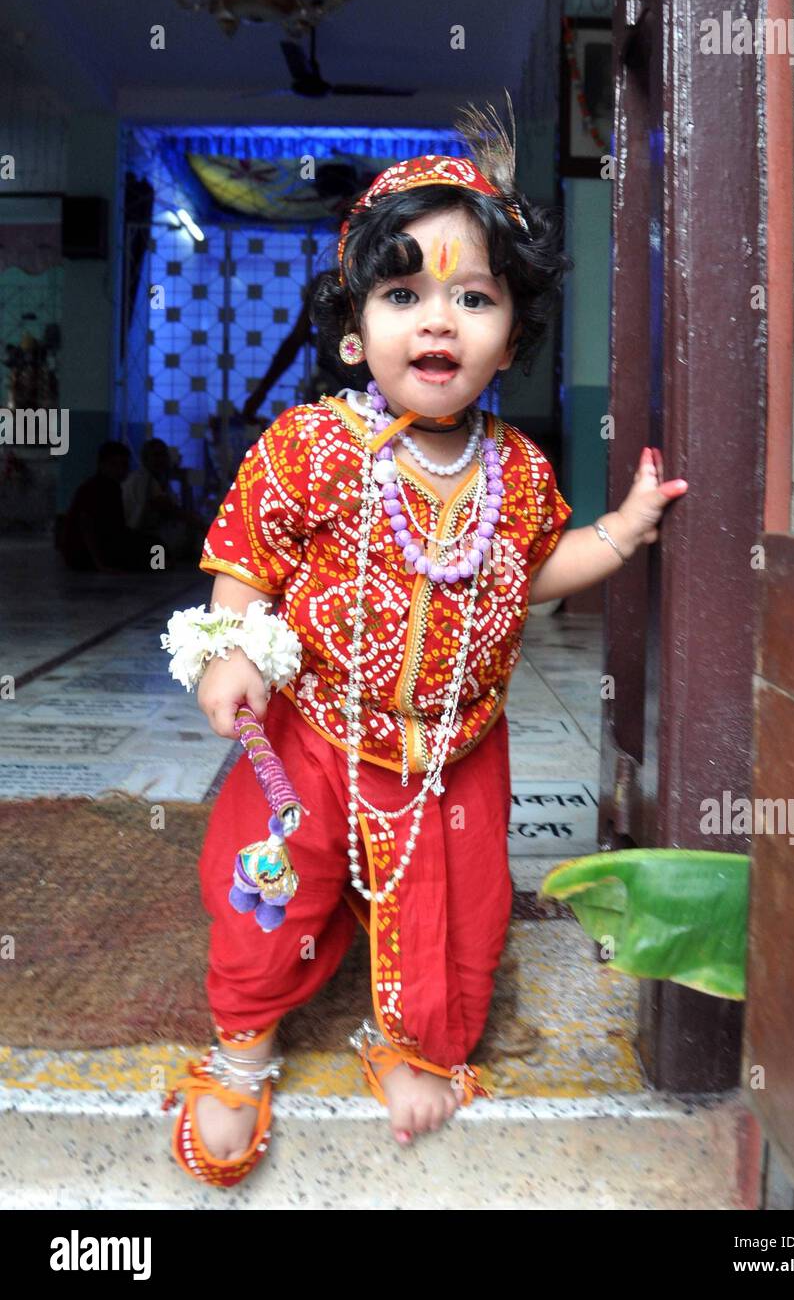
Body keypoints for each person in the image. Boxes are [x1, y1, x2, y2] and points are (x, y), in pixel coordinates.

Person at [160, 99, 689, 1189]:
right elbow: (244, 562)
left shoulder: (521, 473)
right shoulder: (313, 447)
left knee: (459, 915)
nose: (436, 320)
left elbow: (535, 571)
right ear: (356, 333)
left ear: (510, 335)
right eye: (404, 294)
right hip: (314, 738)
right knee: (271, 890)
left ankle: (417, 1044)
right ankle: (244, 1047)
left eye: (473, 297)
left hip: (454, 750)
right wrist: (233, 653)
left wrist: (623, 533)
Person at [59, 441, 151, 573]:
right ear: (102, 465)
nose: (120, 470)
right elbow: (86, 525)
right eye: (114, 465)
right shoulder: (96, 488)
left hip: (97, 550)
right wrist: (100, 565)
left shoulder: (111, 487)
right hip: (84, 555)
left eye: (124, 465)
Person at [122, 438, 206, 562]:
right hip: (138, 536)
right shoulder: (142, 479)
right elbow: (171, 510)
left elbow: (180, 509)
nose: (161, 460)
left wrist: (183, 481)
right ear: (145, 459)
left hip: (147, 535)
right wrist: (203, 526)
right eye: (156, 455)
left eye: (163, 455)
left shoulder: (156, 480)